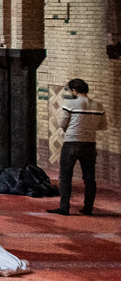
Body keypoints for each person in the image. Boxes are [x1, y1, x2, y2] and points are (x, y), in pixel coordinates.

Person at [50, 78, 108, 216]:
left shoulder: (70, 104)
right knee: (89, 178)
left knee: (65, 176)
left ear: (74, 91)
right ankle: (88, 208)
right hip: (89, 144)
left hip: (71, 143)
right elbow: (103, 125)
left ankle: (64, 208)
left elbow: (62, 123)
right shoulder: (98, 106)